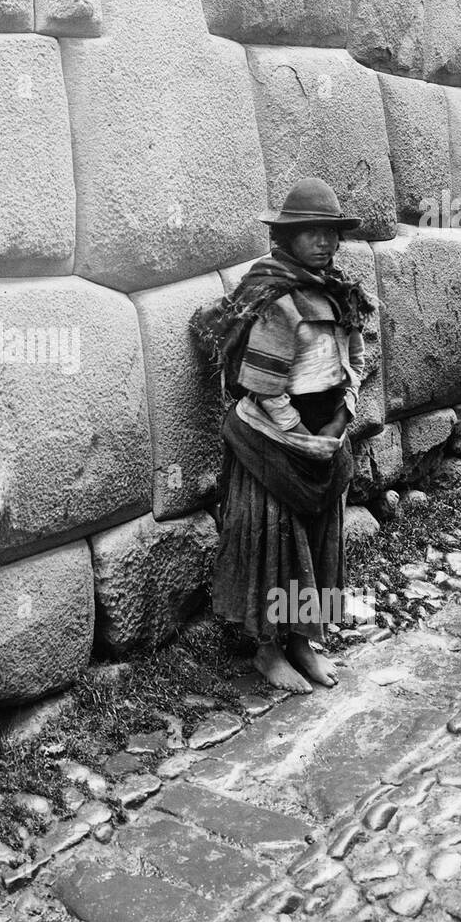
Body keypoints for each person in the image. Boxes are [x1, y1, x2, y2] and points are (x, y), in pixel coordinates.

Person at [193, 179, 375, 694]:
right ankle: (267, 649)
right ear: (286, 239)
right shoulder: (275, 299)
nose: (323, 243)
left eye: (330, 234)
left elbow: (354, 361)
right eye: (311, 233)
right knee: (272, 544)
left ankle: (302, 640)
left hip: (324, 436)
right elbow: (265, 386)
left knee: (317, 543)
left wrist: (342, 416)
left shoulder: (338, 294)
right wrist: (300, 435)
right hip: (272, 441)